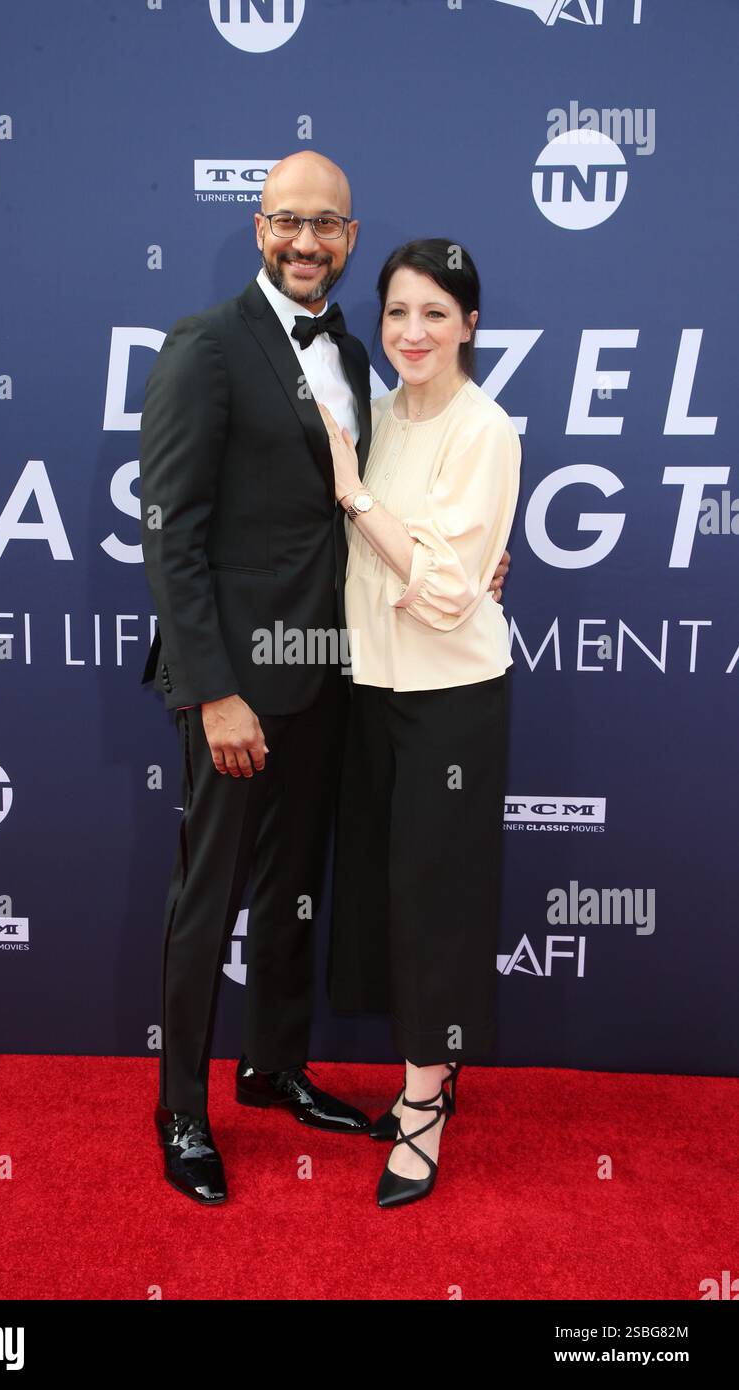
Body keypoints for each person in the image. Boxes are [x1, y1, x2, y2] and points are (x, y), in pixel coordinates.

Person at [139, 154, 510, 1206]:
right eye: (288, 223)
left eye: (328, 227)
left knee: (293, 888)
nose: (307, 242)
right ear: (258, 228)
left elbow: (377, 506)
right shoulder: (205, 346)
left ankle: (272, 1066)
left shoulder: (356, 349)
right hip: (236, 691)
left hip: (335, 678)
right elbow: (172, 537)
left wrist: (469, 552)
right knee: (206, 897)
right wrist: (211, 688)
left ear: (349, 239)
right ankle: (179, 1110)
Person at [317, 238, 521, 1209]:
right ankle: (429, 1070)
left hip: (449, 702)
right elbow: (404, 566)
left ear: (469, 324)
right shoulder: (380, 414)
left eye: (434, 314)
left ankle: (424, 1101)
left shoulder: (483, 429)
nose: (411, 332)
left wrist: (353, 495)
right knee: (385, 894)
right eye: (397, 312)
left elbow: (441, 591)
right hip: (372, 687)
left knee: (433, 901)